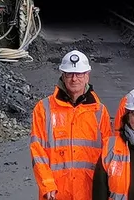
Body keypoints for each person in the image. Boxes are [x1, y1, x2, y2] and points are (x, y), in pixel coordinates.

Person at [31, 50, 114, 200]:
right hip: (56, 193)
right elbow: (37, 151)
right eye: (70, 74)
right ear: (63, 75)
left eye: (79, 74)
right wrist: (47, 184)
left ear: (87, 75)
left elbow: (109, 154)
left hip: (90, 191)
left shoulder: (99, 111)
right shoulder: (44, 109)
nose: (74, 79)